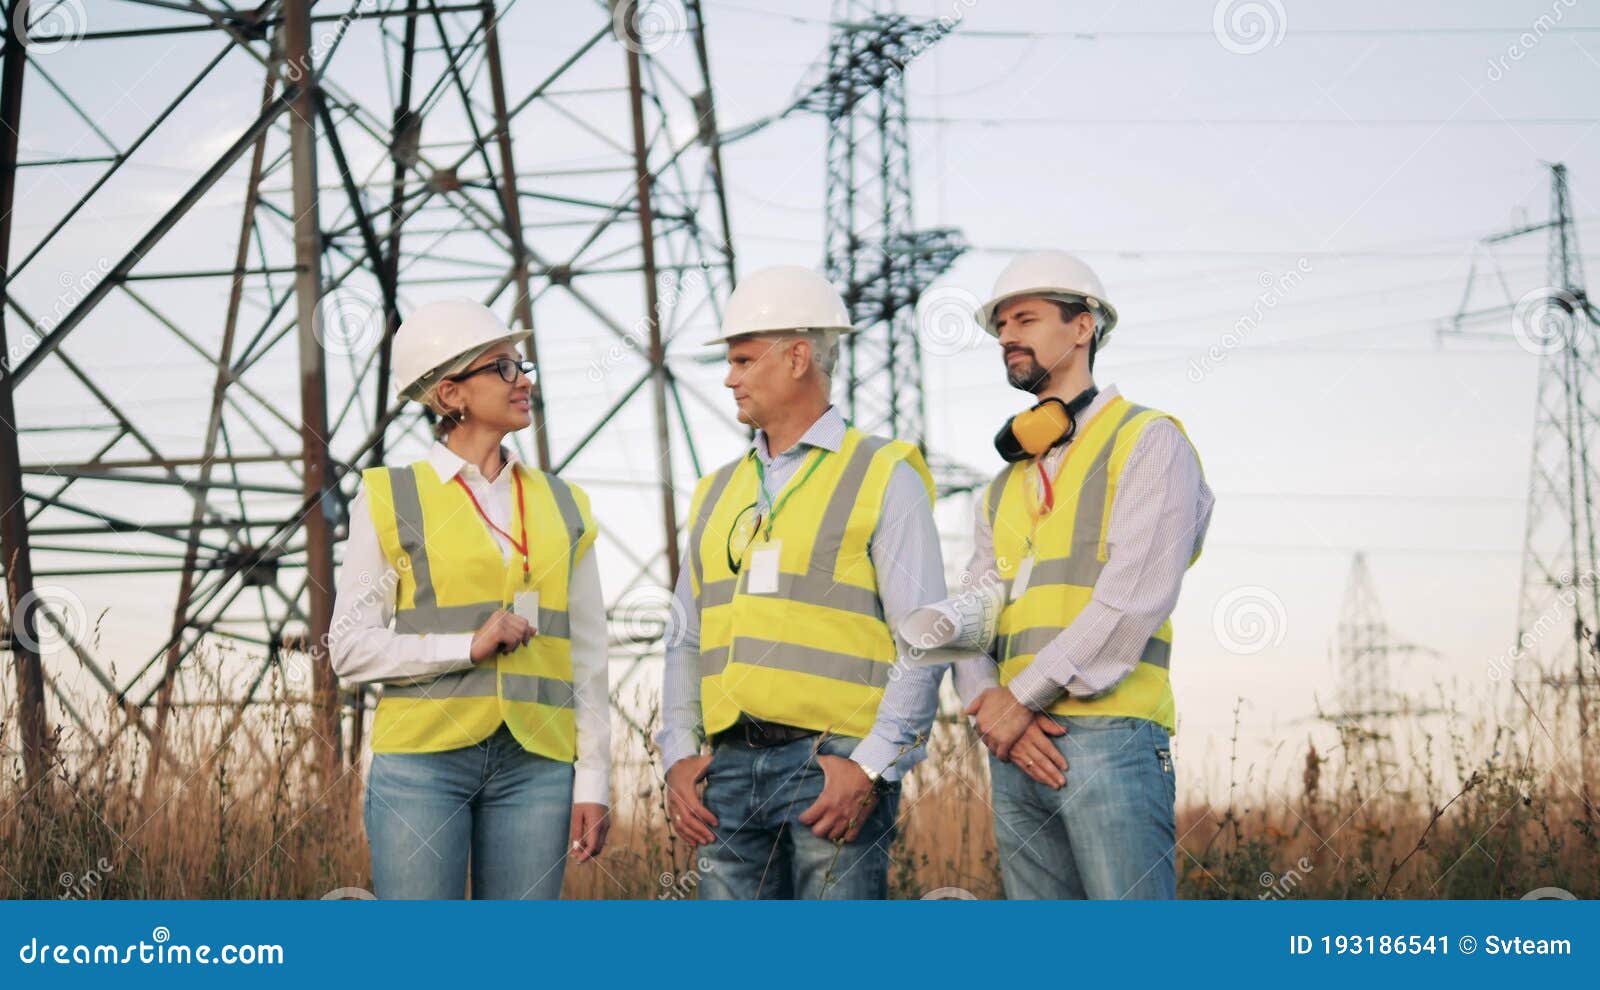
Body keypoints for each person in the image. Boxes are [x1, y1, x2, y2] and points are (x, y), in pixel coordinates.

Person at [927, 251, 1214, 899]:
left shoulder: (1148, 441)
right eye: (1001, 325)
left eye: (1025, 319)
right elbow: (972, 616)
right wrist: (988, 704)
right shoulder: (1002, 486)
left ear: (1083, 326)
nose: (1007, 336)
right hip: (1014, 746)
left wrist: (1018, 700)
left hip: (1109, 735)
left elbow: (1132, 599)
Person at [656, 265, 949, 899]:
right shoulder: (716, 492)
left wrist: (870, 765)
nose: (729, 378)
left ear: (796, 358)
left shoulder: (882, 474)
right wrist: (676, 754)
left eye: (742, 360)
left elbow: (925, 637)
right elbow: (684, 638)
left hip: (832, 767)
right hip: (725, 772)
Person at [330, 298, 610, 899]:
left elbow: (588, 654)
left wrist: (594, 779)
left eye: (522, 366)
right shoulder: (390, 496)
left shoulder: (565, 504)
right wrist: (466, 647)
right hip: (422, 763)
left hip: (538, 765)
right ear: (451, 394)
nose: (524, 381)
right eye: (503, 368)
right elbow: (348, 649)